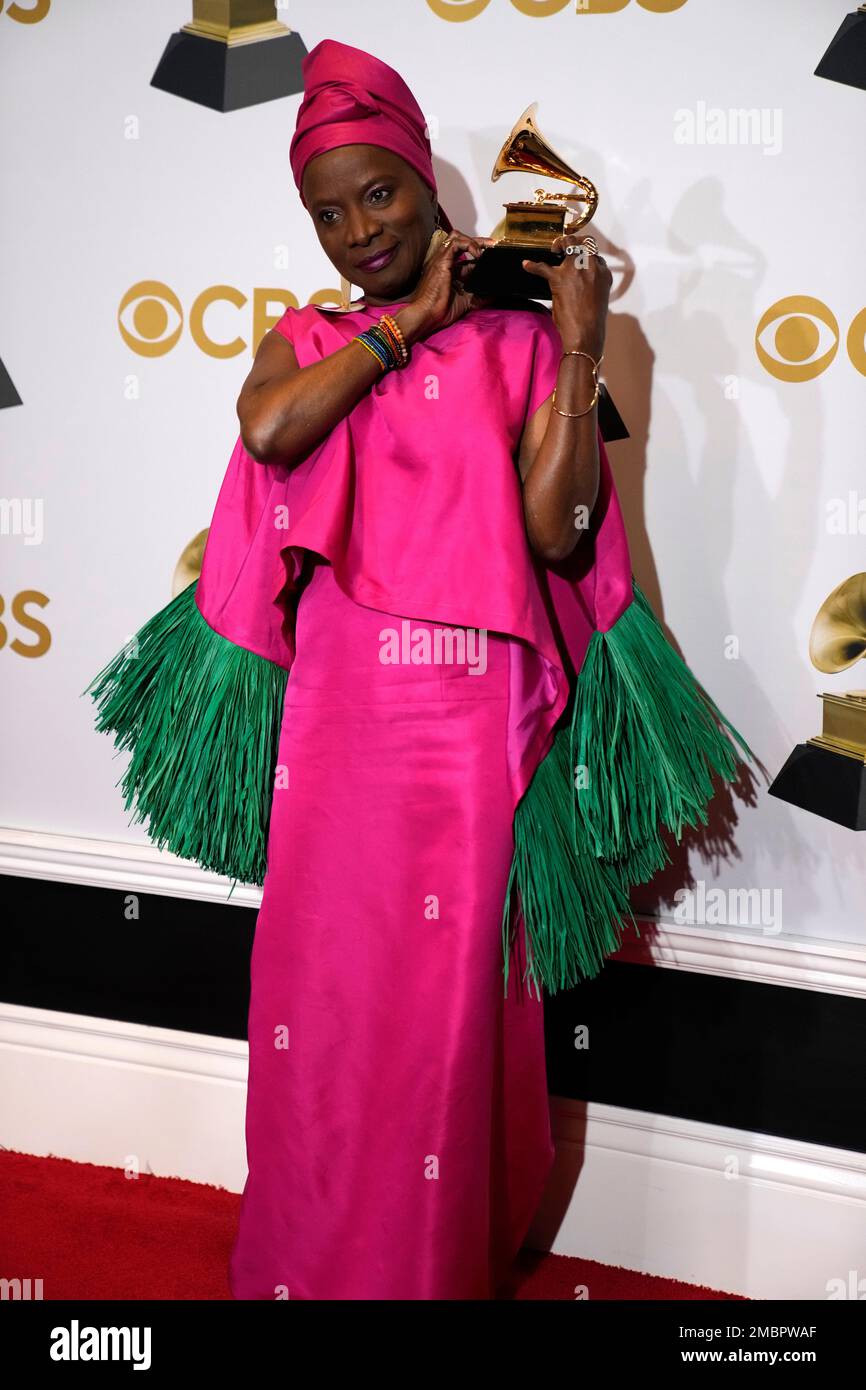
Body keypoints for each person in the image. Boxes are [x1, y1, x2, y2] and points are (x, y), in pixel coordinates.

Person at [85, 37, 751, 1301]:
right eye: (326, 212)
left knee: (447, 1023)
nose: (357, 229)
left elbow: (557, 531)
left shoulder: (511, 342)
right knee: (318, 1007)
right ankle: (305, 1260)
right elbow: (270, 428)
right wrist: (406, 329)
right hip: (334, 734)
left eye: (377, 193)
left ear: (419, 177)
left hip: (466, 737)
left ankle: (429, 1269)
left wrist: (569, 350)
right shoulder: (301, 342)